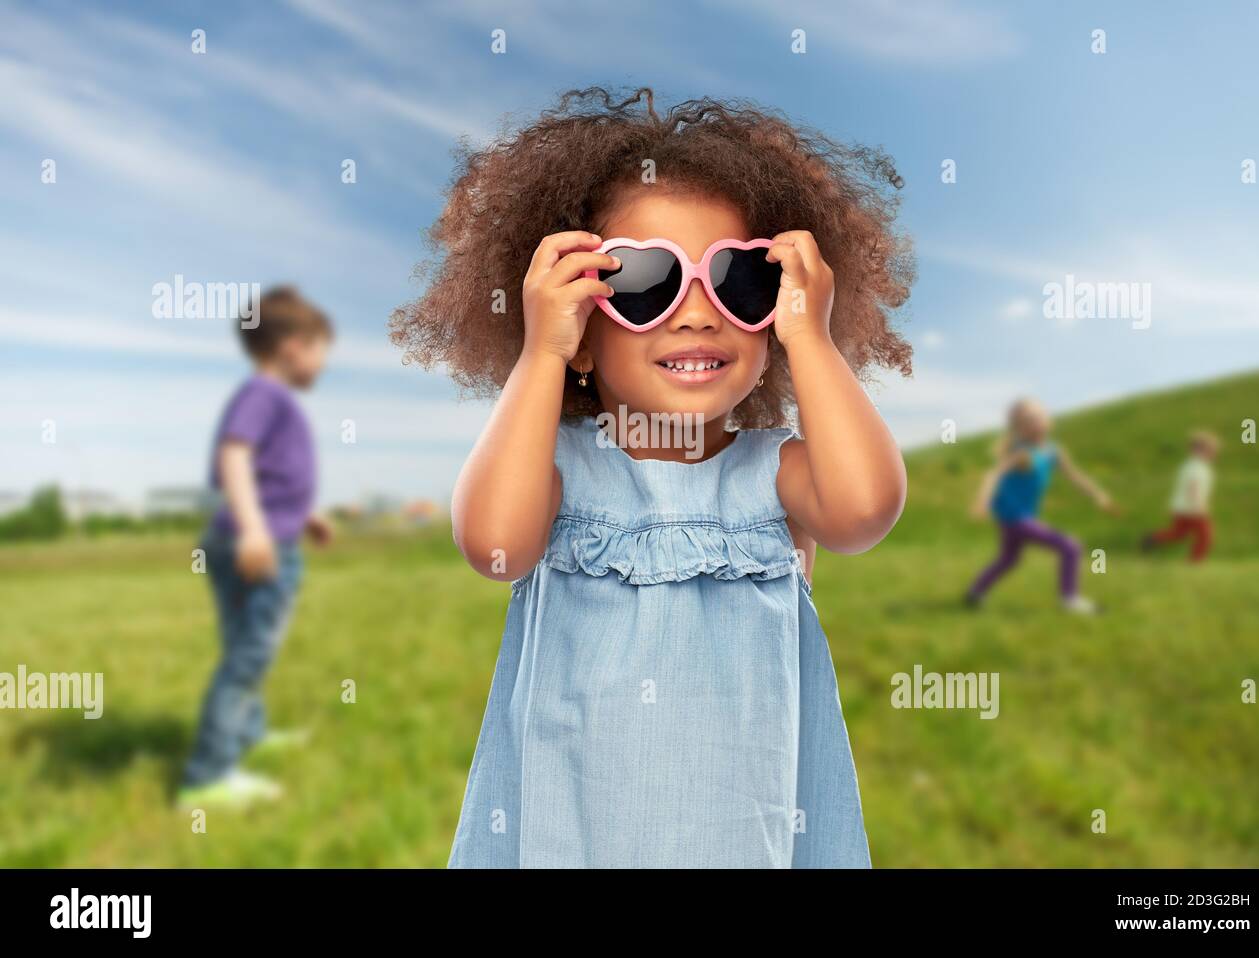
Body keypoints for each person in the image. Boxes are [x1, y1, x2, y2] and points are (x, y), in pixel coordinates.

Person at [391, 87, 915, 867]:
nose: (698, 313)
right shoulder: (559, 469)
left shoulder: (777, 476)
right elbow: (494, 546)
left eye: (739, 282)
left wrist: (813, 338)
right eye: (644, 282)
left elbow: (866, 510)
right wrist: (539, 353)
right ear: (583, 333)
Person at [177, 286, 334, 809]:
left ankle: (246, 735)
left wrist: (303, 516)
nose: (322, 362)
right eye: (319, 349)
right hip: (255, 543)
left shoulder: (268, 399)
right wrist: (255, 530)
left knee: (243, 643)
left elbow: (269, 476)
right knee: (250, 653)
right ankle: (207, 778)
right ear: (292, 346)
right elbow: (235, 457)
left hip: (245, 534)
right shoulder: (265, 396)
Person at [966, 398, 1116, 614]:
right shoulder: (1022, 453)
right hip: (1013, 516)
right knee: (1070, 547)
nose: (1035, 424)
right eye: (1027, 421)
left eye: (1038, 418)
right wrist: (982, 502)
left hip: (1023, 516)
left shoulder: (1053, 451)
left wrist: (1097, 494)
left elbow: (1075, 476)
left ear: (1047, 421)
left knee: (1009, 559)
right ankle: (1070, 600)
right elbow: (993, 474)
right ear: (1019, 428)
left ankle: (975, 592)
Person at [1141, 430, 1219, 562]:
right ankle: (1195, 562)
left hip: (1182, 507)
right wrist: (1199, 505)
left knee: (1178, 534)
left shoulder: (1191, 465)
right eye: (1210, 450)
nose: (1213, 454)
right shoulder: (1197, 466)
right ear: (1197, 450)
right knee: (1206, 536)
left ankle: (1152, 538)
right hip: (1193, 508)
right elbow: (1193, 486)